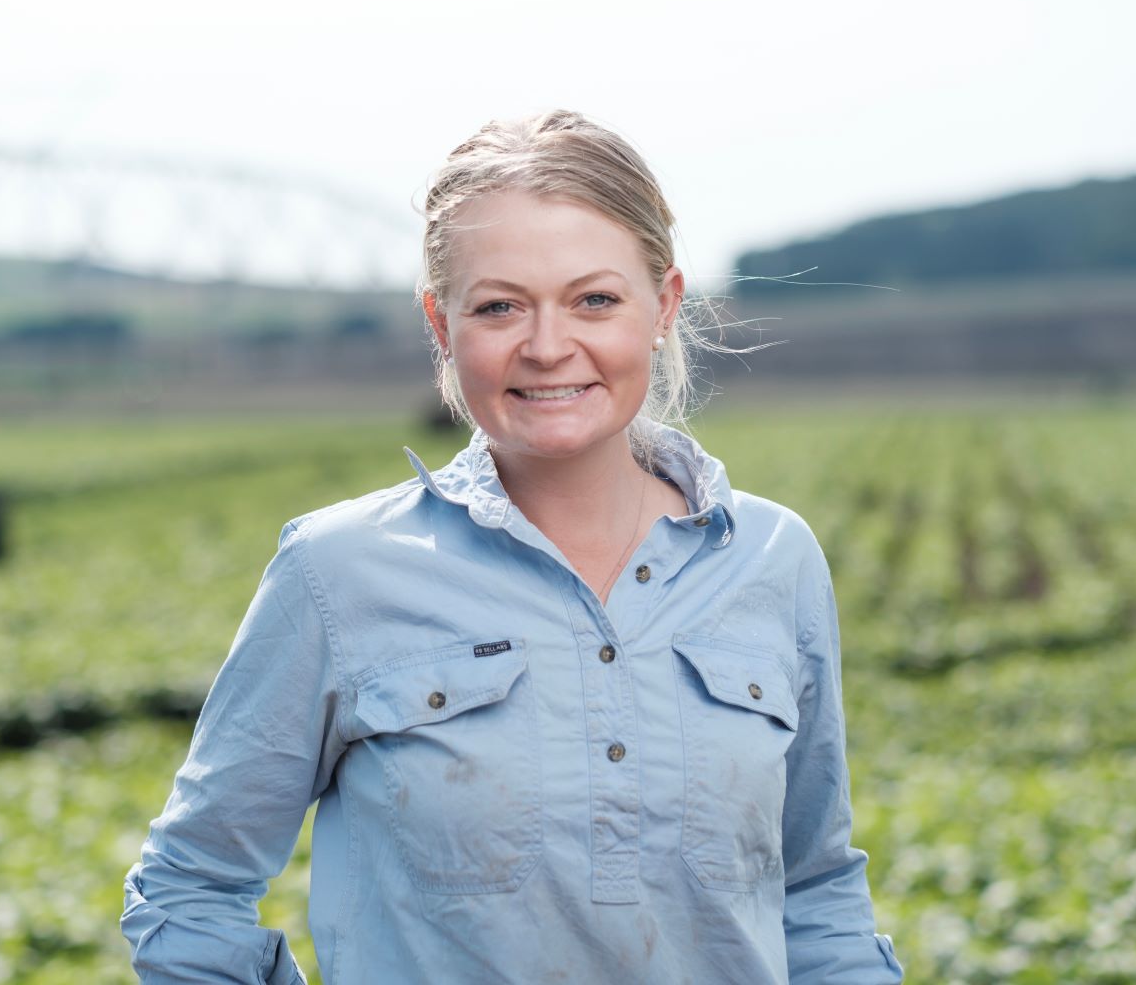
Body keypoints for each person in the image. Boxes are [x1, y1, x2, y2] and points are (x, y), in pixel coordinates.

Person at [121, 109, 904, 984]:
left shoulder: (771, 558)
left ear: (664, 306)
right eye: (499, 307)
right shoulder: (335, 574)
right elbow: (190, 890)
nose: (546, 346)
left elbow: (819, 893)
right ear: (439, 324)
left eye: (594, 299)